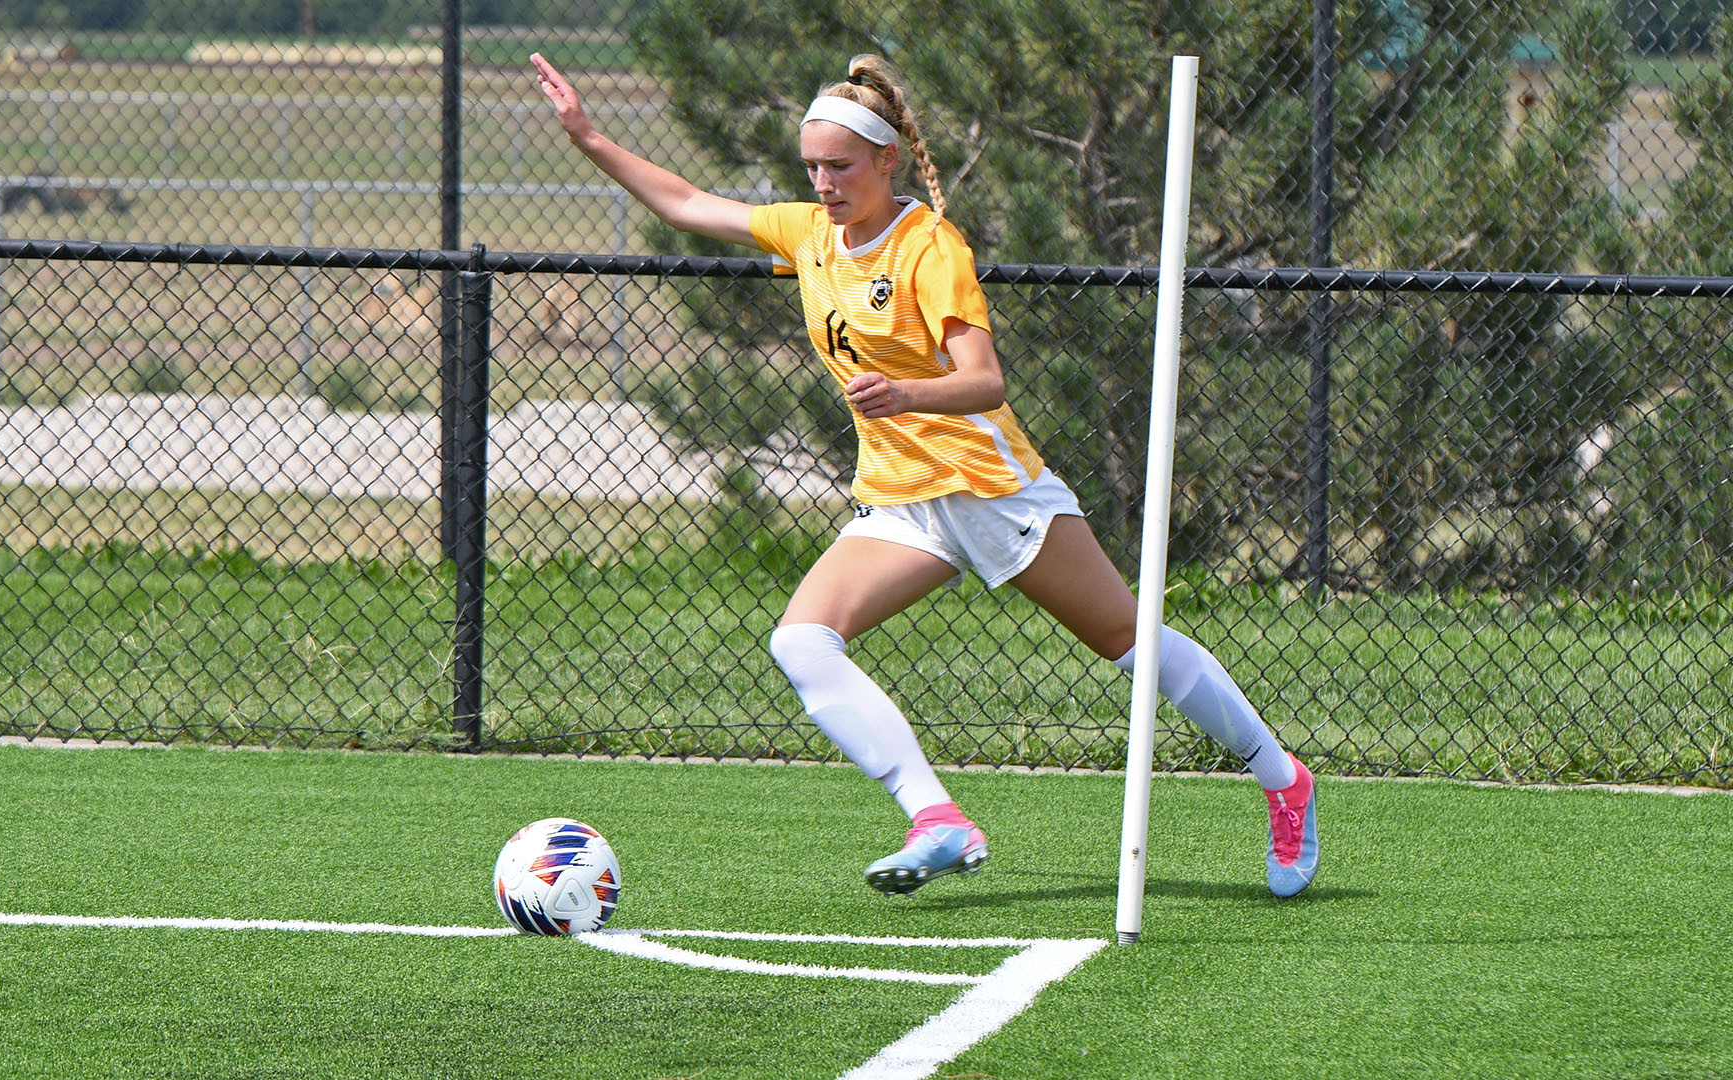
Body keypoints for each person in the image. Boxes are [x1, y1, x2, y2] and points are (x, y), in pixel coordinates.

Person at [531, 51, 1319, 899]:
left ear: (886, 161)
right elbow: (687, 203)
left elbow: (985, 381)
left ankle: (1282, 779)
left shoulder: (930, 247)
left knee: (1132, 644)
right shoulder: (809, 234)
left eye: (839, 166)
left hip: (990, 489)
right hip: (901, 500)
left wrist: (905, 391)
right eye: (812, 167)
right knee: (801, 641)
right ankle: (937, 819)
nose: (824, 183)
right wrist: (588, 138)